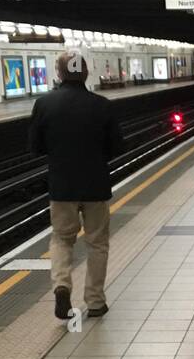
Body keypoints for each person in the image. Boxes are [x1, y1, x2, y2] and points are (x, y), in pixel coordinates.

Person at [28, 51, 124, 321]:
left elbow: (35, 148)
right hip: (96, 185)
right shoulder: (102, 105)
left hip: (62, 186)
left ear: (59, 74)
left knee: (61, 239)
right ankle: (94, 301)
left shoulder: (44, 104)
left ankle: (61, 286)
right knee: (97, 243)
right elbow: (117, 146)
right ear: (85, 73)